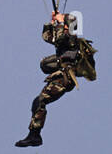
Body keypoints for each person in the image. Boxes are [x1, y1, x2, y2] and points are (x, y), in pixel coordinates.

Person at [15, 11, 97, 146]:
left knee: (40, 101)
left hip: (64, 79)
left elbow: (59, 38)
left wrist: (59, 23)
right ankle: (34, 135)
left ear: (68, 26)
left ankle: (35, 135)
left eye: (64, 24)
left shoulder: (71, 38)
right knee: (38, 102)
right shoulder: (65, 37)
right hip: (60, 78)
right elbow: (48, 37)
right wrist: (52, 23)